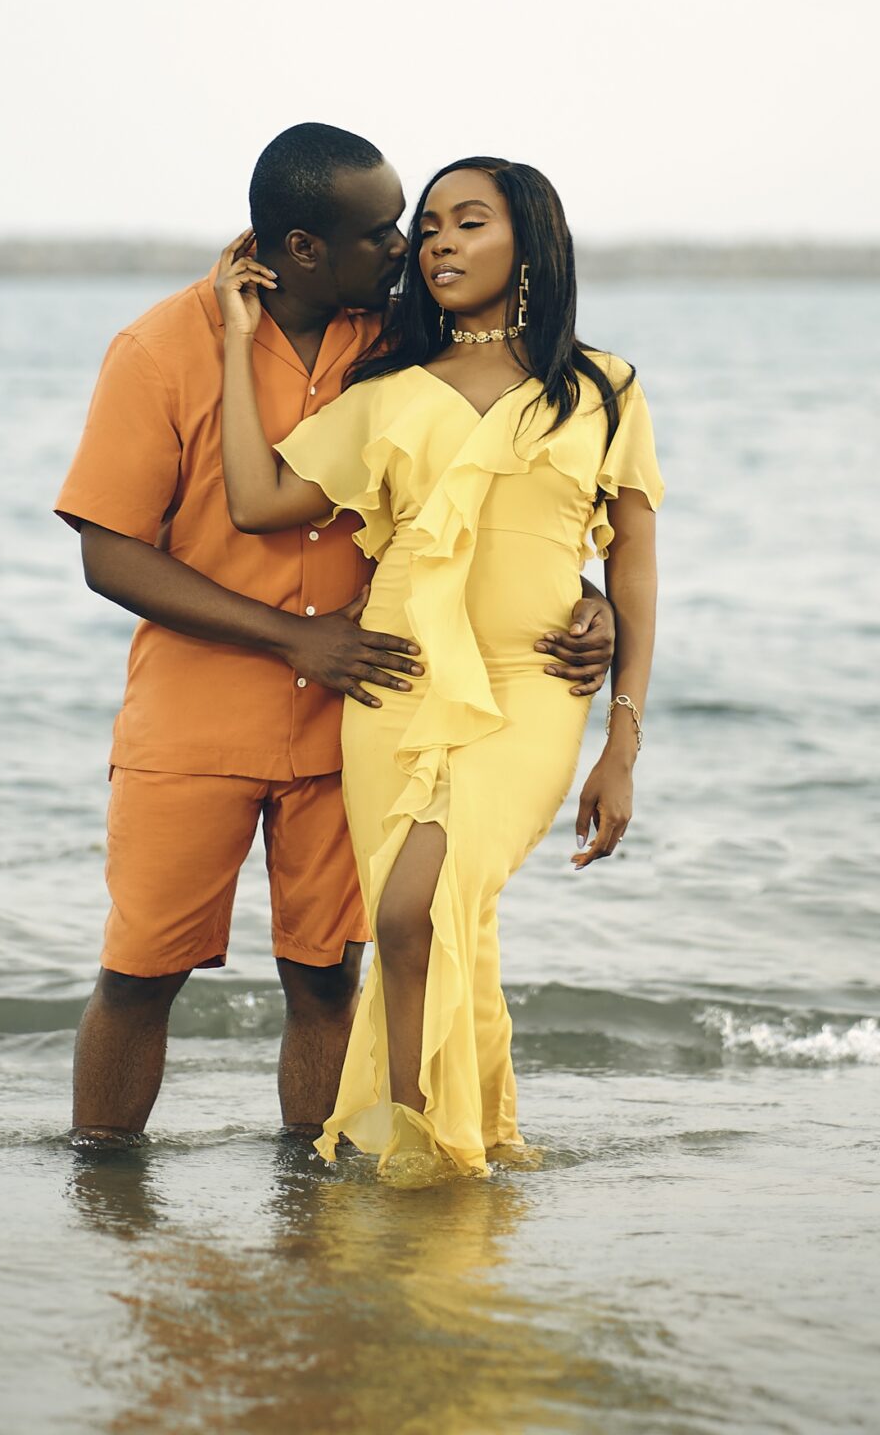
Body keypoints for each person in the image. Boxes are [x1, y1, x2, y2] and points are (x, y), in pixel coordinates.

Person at [54, 124, 617, 1145]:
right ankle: (105, 1210)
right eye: (383, 231)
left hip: (363, 719)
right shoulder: (159, 347)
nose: (406, 247)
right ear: (304, 247)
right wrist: (288, 637)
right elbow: (109, 551)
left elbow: (481, 502)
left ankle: (313, 1222)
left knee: (326, 978)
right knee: (141, 973)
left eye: (410, 225)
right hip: (195, 725)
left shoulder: (398, 341)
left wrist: (594, 595)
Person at [216, 155, 662, 1183]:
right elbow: (256, 497)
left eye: (471, 222)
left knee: (423, 907)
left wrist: (621, 740)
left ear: (531, 244)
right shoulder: (387, 392)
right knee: (435, 916)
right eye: (429, 227)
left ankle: (423, 1152)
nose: (441, 242)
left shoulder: (602, 387)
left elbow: (630, 555)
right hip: (398, 690)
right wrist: (242, 346)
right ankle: (470, 1145)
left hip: (533, 687)